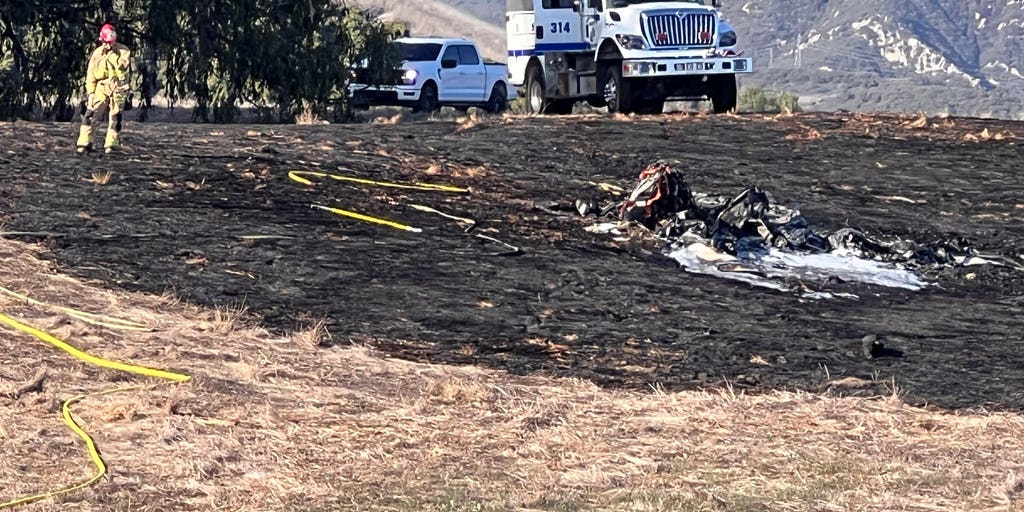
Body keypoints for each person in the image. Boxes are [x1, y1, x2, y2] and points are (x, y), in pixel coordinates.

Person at [76, 23, 131, 155]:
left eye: (111, 42)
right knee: (90, 115)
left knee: (115, 117)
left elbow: (122, 70)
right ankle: (84, 143)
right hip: (101, 88)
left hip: (118, 88)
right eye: (106, 42)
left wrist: (112, 56)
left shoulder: (124, 51)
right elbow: (91, 75)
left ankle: (111, 145)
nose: (108, 45)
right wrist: (91, 93)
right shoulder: (97, 53)